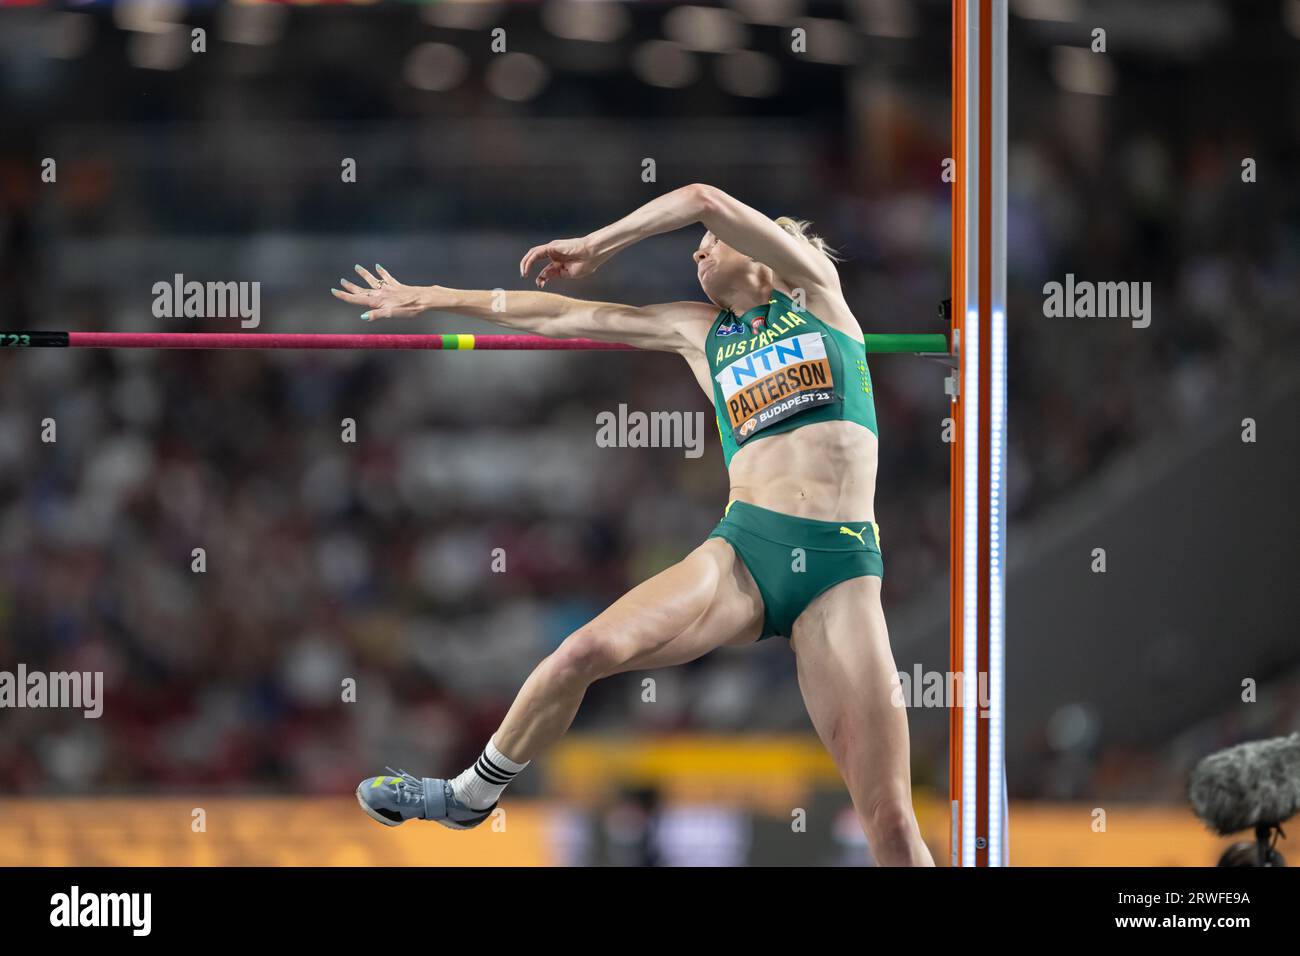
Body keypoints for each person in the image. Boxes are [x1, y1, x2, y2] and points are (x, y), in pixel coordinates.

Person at [331, 183, 934, 865]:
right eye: (697, 246)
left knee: (887, 818)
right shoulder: (700, 333)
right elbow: (563, 316)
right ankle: (472, 793)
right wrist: (438, 296)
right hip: (744, 554)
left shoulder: (820, 297)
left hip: (841, 572)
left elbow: (704, 197)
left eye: (712, 242)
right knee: (582, 653)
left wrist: (596, 244)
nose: (699, 250)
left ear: (771, 256)